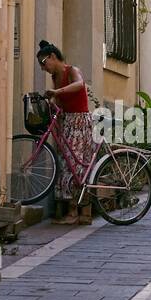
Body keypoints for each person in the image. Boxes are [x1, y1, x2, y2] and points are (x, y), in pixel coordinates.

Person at [37, 40, 95, 225]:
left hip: (79, 122)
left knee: (76, 165)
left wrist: (57, 91)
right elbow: (62, 103)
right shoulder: (55, 78)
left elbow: (80, 85)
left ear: (53, 57)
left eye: (43, 63)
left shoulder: (71, 71)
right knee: (70, 164)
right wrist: (53, 103)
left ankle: (77, 211)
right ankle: (81, 211)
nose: (43, 68)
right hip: (67, 122)